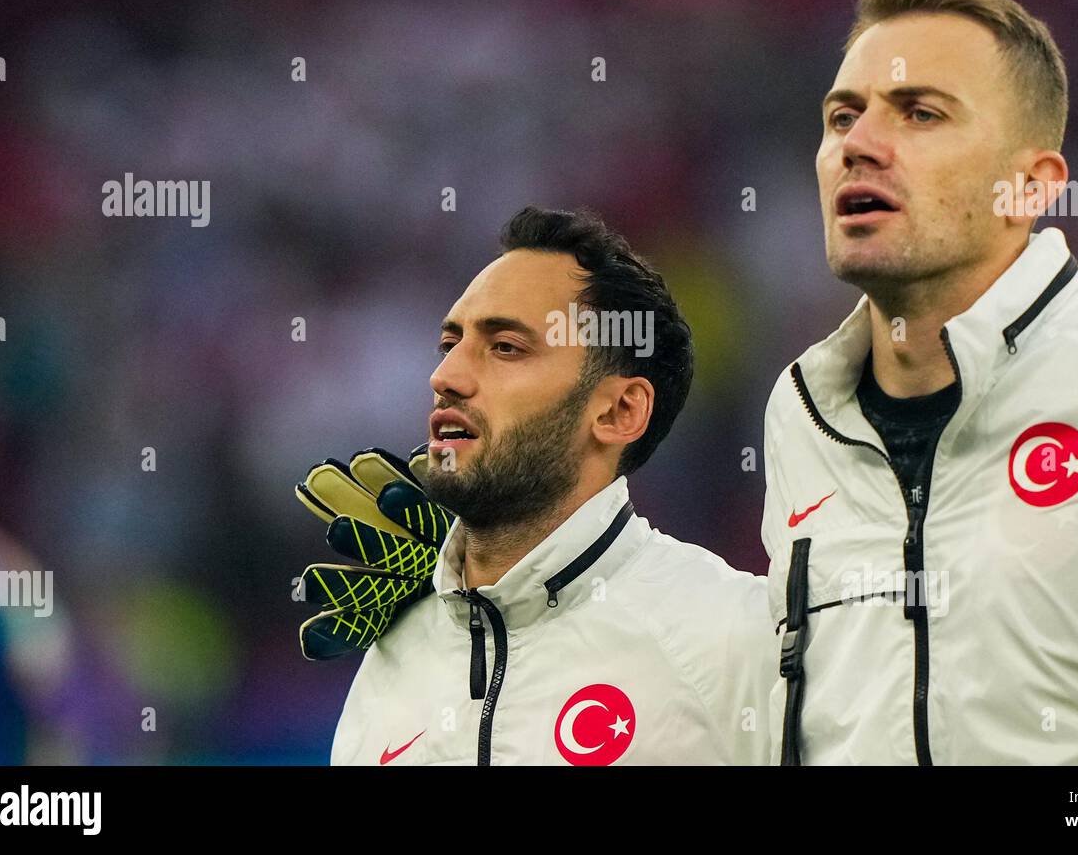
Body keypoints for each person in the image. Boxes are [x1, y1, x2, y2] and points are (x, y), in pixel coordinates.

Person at [765, 0, 1078, 765]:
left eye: (920, 114)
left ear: (1029, 187)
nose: (858, 144)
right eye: (842, 117)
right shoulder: (800, 418)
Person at [301, 207, 773, 765]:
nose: (445, 376)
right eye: (449, 344)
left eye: (506, 347)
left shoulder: (738, 638)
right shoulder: (391, 657)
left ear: (621, 411)